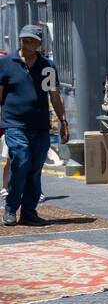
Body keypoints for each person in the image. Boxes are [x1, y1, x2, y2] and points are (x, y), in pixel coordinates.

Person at [0, 25, 68, 226]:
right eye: (24, 40)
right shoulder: (6, 63)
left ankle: (29, 211)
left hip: (40, 125)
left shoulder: (47, 66)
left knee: (35, 168)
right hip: (14, 123)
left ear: (39, 43)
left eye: (31, 41)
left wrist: (63, 121)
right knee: (20, 160)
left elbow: (54, 96)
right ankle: (11, 208)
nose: (27, 44)